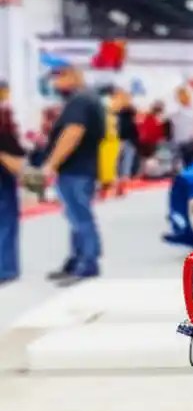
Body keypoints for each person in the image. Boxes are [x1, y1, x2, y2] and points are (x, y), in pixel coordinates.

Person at [42, 63, 106, 282]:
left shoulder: (80, 101)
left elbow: (73, 133)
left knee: (80, 217)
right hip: (81, 169)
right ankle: (76, 260)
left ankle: (88, 262)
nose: (55, 84)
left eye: (57, 78)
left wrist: (51, 164)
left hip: (76, 169)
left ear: (71, 76)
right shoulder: (89, 99)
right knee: (75, 217)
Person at [0, 80, 26, 285]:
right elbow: (10, 151)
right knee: (6, 222)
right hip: (3, 178)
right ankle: (5, 268)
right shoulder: (3, 118)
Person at [169, 88, 193, 169]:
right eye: (180, 96)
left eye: (184, 95)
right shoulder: (175, 112)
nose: (182, 97)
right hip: (180, 144)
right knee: (182, 169)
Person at [115, 91, 140, 195]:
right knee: (124, 162)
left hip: (125, 139)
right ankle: (122, 181)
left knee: (123, 162)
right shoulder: (127, 112)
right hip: (124, 139)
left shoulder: (124, 112)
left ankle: (122, 182)